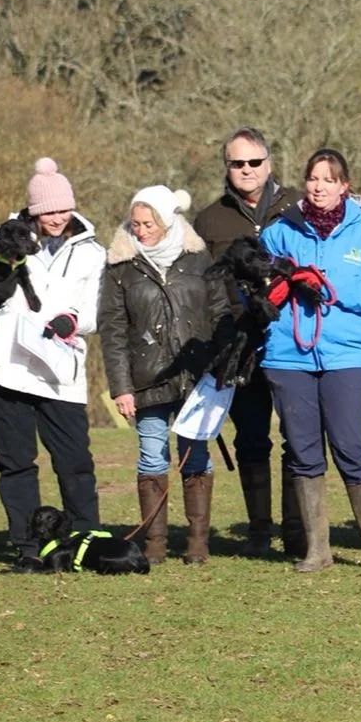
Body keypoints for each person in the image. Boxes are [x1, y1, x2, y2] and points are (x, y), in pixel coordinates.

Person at [0, 157, 106, 572]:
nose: (56, 218)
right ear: (33, 210)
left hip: (60, 368)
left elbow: (96, 309)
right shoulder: (6, 234)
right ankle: (27, 546)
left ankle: (85, 539)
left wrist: (73, 319)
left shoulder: (93, 251)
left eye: (62, 209)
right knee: (16, 462)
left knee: (75, 460)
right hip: (3, 365)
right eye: (47, 211)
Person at [260, 148, 361, 571]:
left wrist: (330, 286)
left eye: (328, 179)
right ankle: (316, 550)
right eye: (313, 179)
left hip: (347, 354)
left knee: (351, 447)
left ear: (344, 186)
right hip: (288, 354)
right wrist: (277, 289)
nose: (319, 187)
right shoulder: (281, 230)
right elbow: (255, 281)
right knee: (302, 451)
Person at [99, 186, 230, 566]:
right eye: (135, 223)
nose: (140, 230)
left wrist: (221, 364)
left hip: (197, 377)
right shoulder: (120, 267)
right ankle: (155, 543)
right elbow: (113, 331)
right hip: (147, 379)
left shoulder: (199, 259)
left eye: (148, 223)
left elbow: (220, 312)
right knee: (152, 456)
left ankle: (197, 543)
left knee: (196, 456)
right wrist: (121, 388)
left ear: (167, 220)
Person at [193, 127, 303, 556]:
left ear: (269, 164)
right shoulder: (209, 220)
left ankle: (297, 531)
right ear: (227, 168)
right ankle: (260, 531)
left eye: (254, 162)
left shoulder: (297, 205)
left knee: (300, 437)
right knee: (252, 438)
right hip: (239, 344)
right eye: (237, 163)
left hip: (292, 338)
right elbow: (204, 287)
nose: (246, 170)